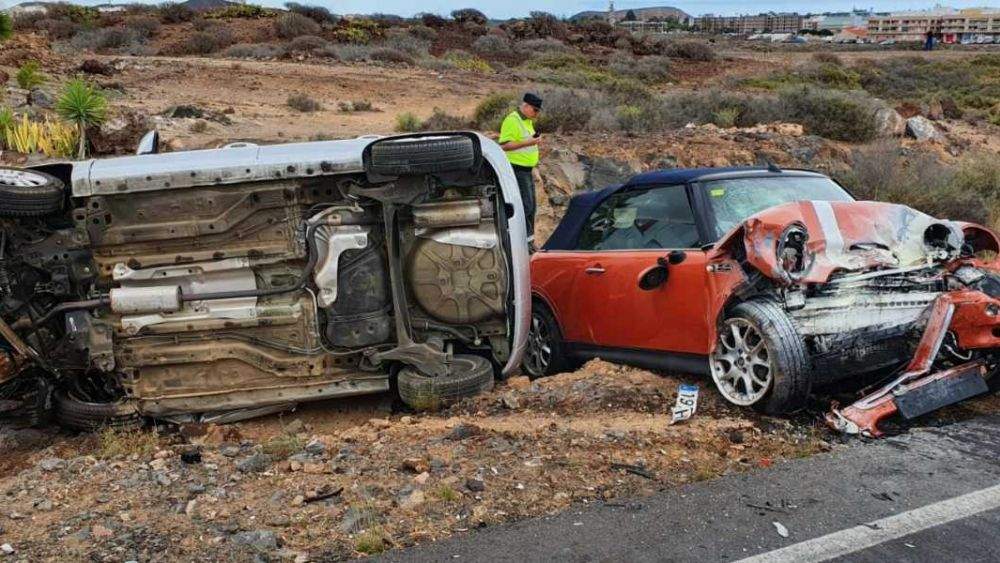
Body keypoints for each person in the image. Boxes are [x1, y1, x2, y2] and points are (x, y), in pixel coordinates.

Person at [499, 93, 542, 247]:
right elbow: (504, 145)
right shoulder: (512, 120)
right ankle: (522, 244)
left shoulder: (527, 121)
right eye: (535, 110)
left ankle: (529, 242)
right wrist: (529, 142)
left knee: (531, 207)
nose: (537, 114)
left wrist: (534, 167)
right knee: (526, 206)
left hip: (527, 170)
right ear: (526, 106)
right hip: (516, 169)